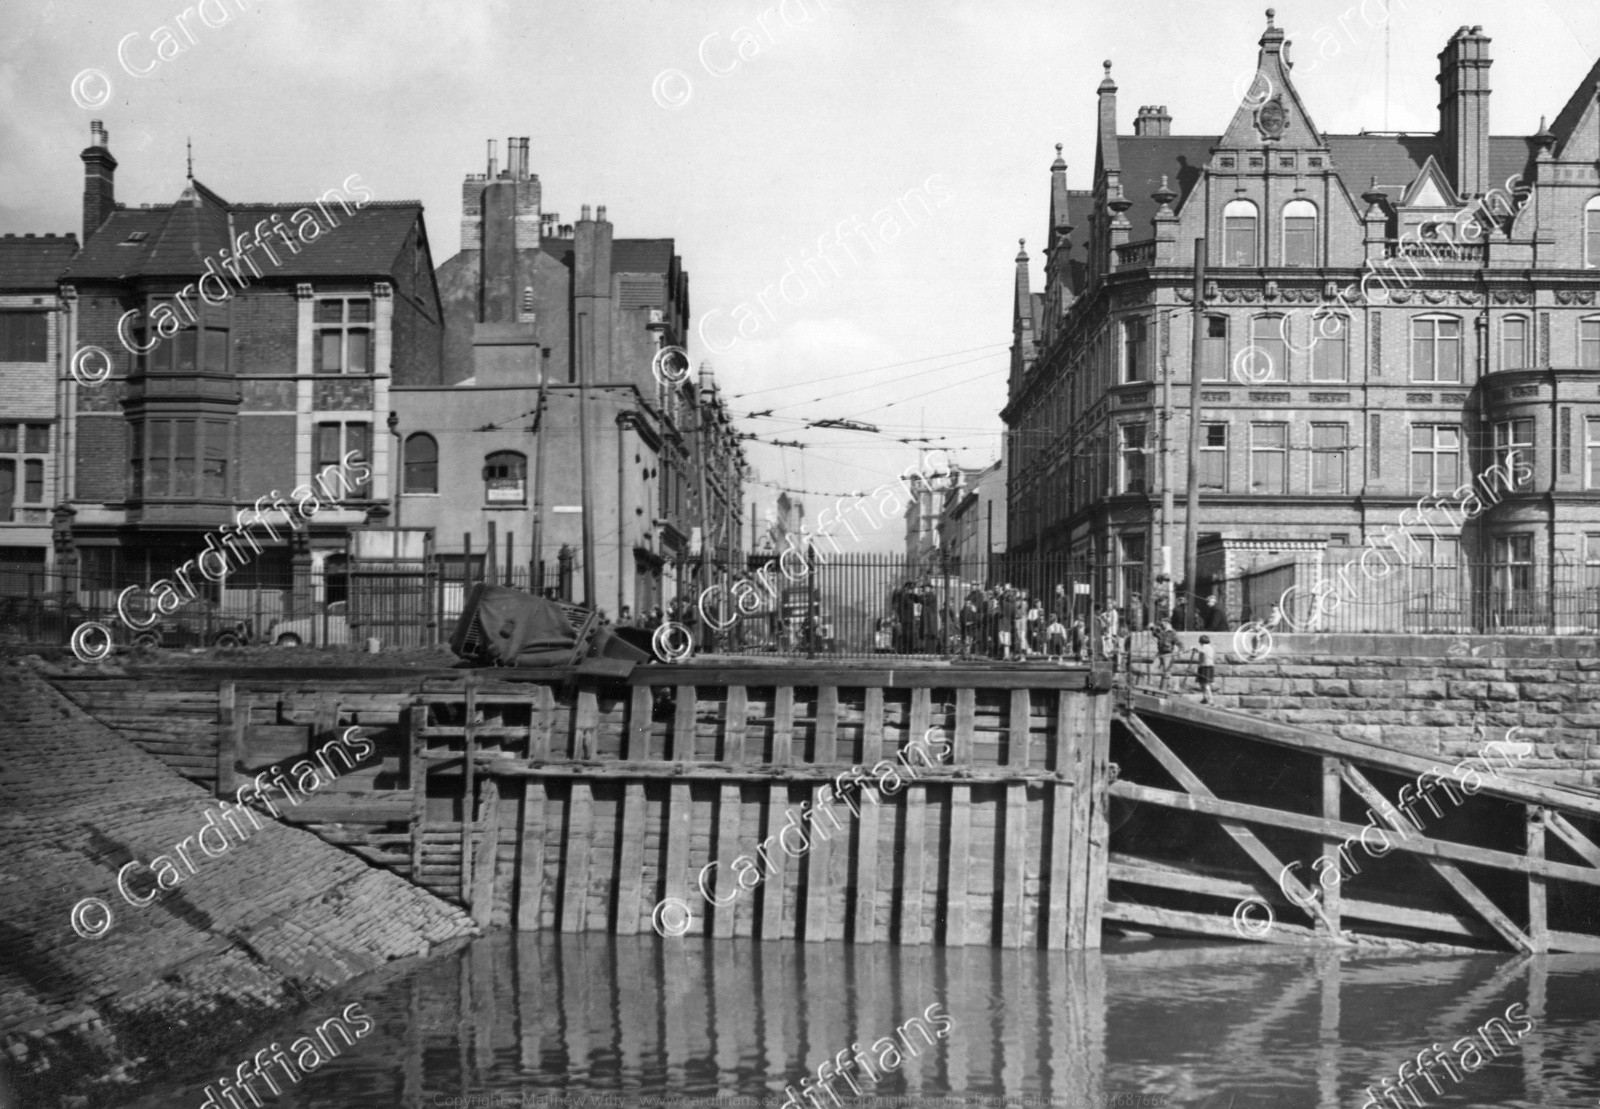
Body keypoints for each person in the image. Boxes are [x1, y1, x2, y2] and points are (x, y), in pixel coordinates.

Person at [1190, 634, 1216, 704]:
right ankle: (1205, 698)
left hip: (1206, 667)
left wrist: (1194, 648)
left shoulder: (1206, 647)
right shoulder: (1209, 647)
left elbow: (1202, 651)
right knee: (1201, 684)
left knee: (1206, 684)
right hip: (1204, 667)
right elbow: (1201, 651)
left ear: (1201, 641)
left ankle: (1210, 700)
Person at [1154, 618, 1179, 690]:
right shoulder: (1161, 631)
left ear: (1167, 624)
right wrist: (1155, 629)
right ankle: (1166, 686)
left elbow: (1179, 642)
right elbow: (1154, 634)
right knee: (1153, 668)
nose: (1162, 625)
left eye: (1163, 623)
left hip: (1168, 654)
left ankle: (1172, 687)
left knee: (1167, 671)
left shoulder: (1172, 633)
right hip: (1160, 653)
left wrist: (1180, 650)